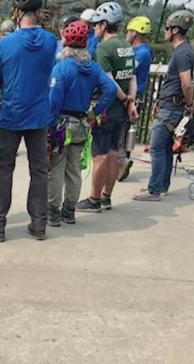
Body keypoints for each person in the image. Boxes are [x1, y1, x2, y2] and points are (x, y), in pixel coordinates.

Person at [0, 0, 58, 243]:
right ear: (38, 12)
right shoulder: (50, 41)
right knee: (39, 171)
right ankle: (38, 225)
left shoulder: (5, 44)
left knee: (4, 171)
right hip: (39, 116)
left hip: (11, 115)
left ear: (17, 13)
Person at [45, 19, 119, 227]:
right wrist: (94, 112)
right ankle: (69, 211)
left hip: (61, 125)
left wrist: (49, 126)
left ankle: (53, 212)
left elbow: (54, 102)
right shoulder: (92, 68)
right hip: (81, 123)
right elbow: (111, 90)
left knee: (56, 169)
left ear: (66, 43)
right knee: (74, 170)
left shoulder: (61, 69)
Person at [76, 1, 137, 214]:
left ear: (104, 24)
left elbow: (109, 83)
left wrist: (123, 99)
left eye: (96, 25)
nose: (94, 29)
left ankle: (93, 199)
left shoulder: (104, 48)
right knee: (112, 152)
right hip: (121, 111)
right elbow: (132, 77)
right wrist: (131, 101)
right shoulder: (126, 46)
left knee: (100, 155)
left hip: (107, 109)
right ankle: (106, 197)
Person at [134, 10, 194, 202]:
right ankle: (161, 185)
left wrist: (190, 103)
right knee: (166, 147)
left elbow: (186, 83)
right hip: (170, 105)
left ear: (175, 30)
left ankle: (154, 190)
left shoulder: (183, 53)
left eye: (167, 28)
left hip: (171, 107)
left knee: (156, 147)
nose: (165, 32)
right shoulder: (182, 51)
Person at [116, 15, 152, 182]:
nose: (127, 34)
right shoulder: (139, 51)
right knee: (124, 133)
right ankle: (121, 167)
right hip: (133, 95)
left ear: (135, 33)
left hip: (133, 96)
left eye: (129, 31)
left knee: (120, 132)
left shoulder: (142, 53)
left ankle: (122, 161)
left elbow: (130, 71)